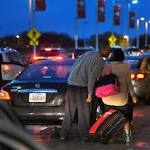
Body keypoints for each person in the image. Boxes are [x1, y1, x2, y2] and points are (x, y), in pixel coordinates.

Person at [60, 45, 112, 142]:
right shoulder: (100, 61)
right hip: (82, 87)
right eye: (109, 52)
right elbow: (92, 78)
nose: (109, 54)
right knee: (84, 113)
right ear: (105, 51)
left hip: (71, 84)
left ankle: (63, 134)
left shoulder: (88, 53)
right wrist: (89, 94)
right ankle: (84, 137)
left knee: (69, 112)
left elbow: (75, 64)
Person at [100, 48, 138, 143]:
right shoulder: (126, 66)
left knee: (109, 118)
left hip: (107, 98)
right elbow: (129, 83)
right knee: (125, 117)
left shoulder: (106, 66)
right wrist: (133, 96)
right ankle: (128, 137)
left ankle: (110, 136)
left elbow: (101, 80)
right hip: (121, 99)